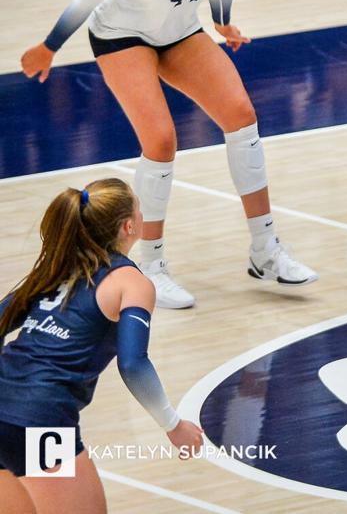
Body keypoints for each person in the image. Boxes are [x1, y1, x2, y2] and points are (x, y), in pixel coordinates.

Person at [20, 0, 318, 310]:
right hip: (122, 36)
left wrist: (224, 24)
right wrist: (49, 47)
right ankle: (151, 268)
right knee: (161, 140)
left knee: (242, 117)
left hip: (178, 32)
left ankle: (266, 250)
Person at [0, 179, 205, 513]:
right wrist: (173, 425)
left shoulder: (58, 267)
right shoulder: (131, 283)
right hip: (41, 420)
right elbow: (133, 365)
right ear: (129, 226)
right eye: (139, 206)